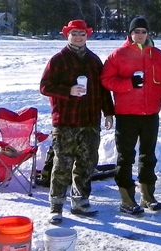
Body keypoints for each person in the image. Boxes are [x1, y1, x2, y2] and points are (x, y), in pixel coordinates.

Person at [39, 19, 115, 224]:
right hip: (66, 121)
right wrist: (68, 91)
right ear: (67, 35)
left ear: (87, 35)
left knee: (86, 163)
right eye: (75, 33)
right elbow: (45, 87)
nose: (79, 37)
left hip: (90, 121)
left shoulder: (94, 61)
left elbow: (103, 89)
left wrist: (108, 112)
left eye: (82, 33)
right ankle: (56, 206)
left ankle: (80, 201)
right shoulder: (58, 60)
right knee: (62, 164)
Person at [101, 16, 161, 215]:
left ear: (148, 33)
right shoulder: (118, 55)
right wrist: (128, 84)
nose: (140, 35)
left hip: (150, 113)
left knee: (148, 156)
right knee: (125, 157)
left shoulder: (158, 55)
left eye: (143, 31)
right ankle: (126, 198)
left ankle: (147, 195)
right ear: (130, 34)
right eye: (136, 32)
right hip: (126, 115)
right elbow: (106, 80)